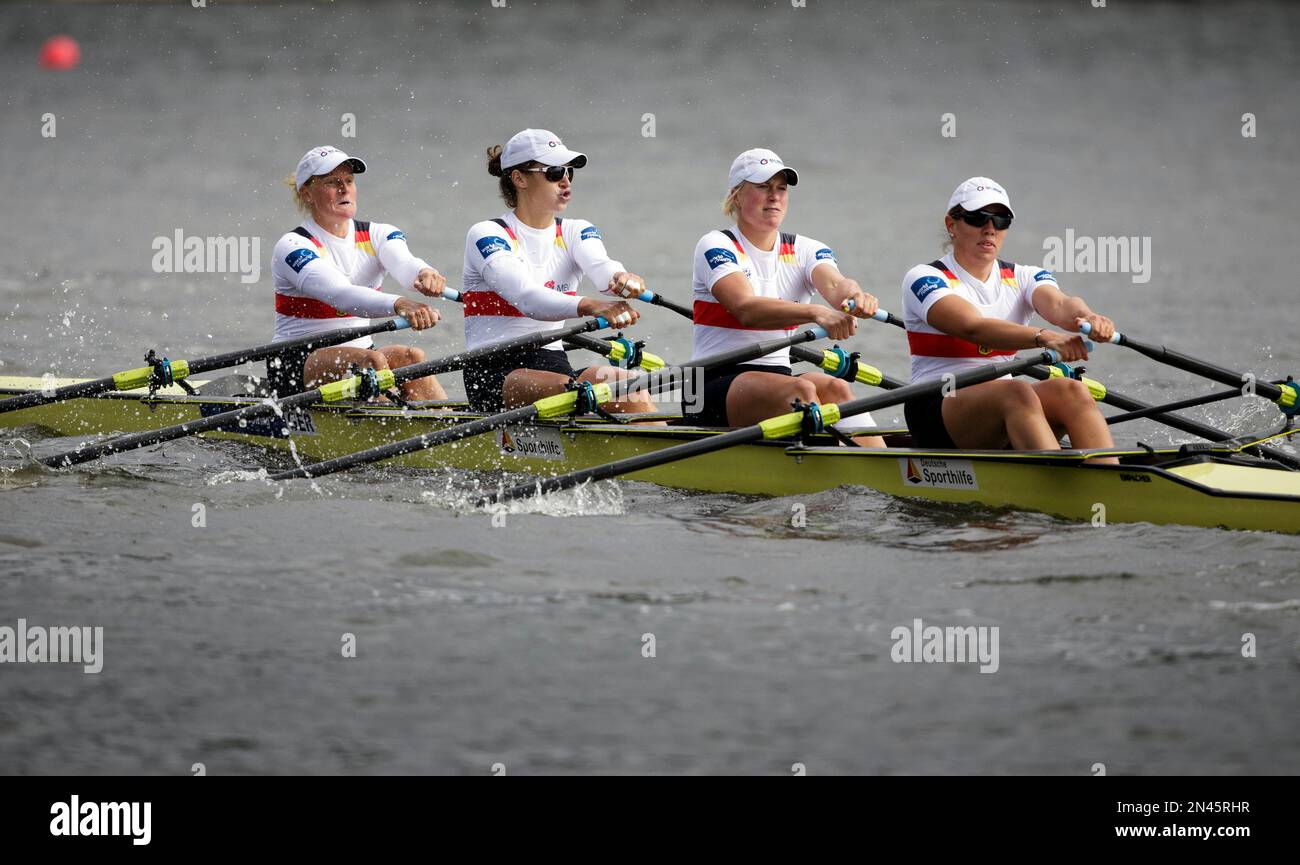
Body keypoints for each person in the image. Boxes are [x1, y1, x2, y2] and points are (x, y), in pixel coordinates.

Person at [900, 176, 1117, 456]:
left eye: (1001, 220)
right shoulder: (924, 277)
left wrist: (1089, 318)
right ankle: (1060, 486)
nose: (990, 229)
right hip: (937, 404)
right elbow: (972, 327)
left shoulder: (1023, 276)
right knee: (1017, 392)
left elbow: (1061, 304)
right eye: (978, 218)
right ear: (951, 224)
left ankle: (1109, 477)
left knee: (1072, 391)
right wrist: (1043, 337)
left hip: (1002, 402)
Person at [685, 148, 885, 445]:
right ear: (736, 196)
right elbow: (746, 309)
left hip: (776, 377)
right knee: (801, 393)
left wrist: (857, 296)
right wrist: (815, 313)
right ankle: (832, 476)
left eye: (781, 188)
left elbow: (836, 286)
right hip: (707, 385)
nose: (774, 196)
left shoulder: (805, 249)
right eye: (763, 187)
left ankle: (881, 467)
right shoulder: (716, 245)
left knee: (836, 388)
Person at [460, 128, 657, 418]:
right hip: (495, 374)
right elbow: (527, 298)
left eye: (568, 172)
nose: (565, 180)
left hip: (554, 365)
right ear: (519, 178)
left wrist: (623, 280)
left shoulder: (576, 230)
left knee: (628, 384)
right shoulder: (488, 234)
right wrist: (590, 305)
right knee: (594, 389)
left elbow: (603, 268)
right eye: (553, 172)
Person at [269, 145, 448, 400]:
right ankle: (396, 422)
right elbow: (341, 294)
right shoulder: (293, 247)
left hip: (362, 356)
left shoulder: (378, 234)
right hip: (297, 363)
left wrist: (425, 273)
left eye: (349, 180)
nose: (344, 188)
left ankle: (444, 421)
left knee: (412, 357)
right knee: (373, 361)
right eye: (333, 182)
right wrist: (399, 304)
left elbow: (404, 263)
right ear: (307, 194)